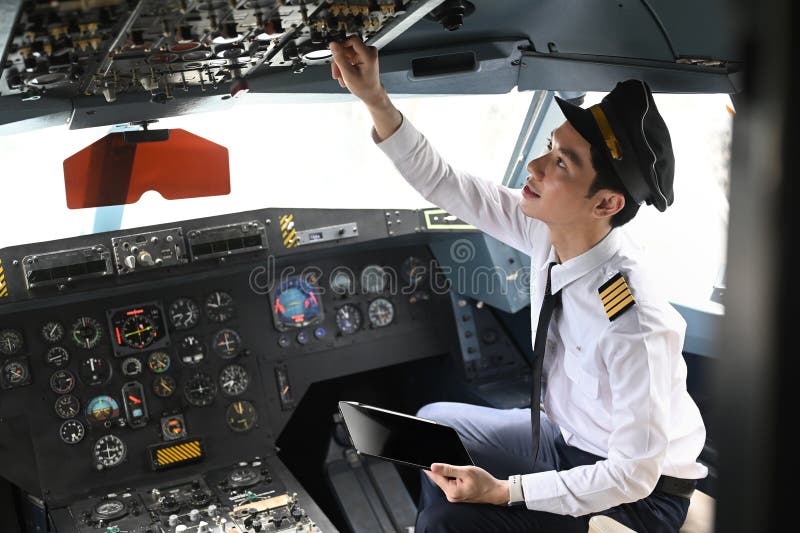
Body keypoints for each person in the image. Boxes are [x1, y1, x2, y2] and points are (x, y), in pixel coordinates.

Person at [329, 36, 708, 533]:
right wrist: (375, 98)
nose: (535, 167)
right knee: (432, 427)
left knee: (451, 518)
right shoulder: (546, 229)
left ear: (606, 204)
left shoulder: (636, 323)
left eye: (562, 164)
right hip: (567, 439)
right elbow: (445, 181)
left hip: (639, 497)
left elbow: (632, 475)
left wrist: (505, 491)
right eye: (550, 148)